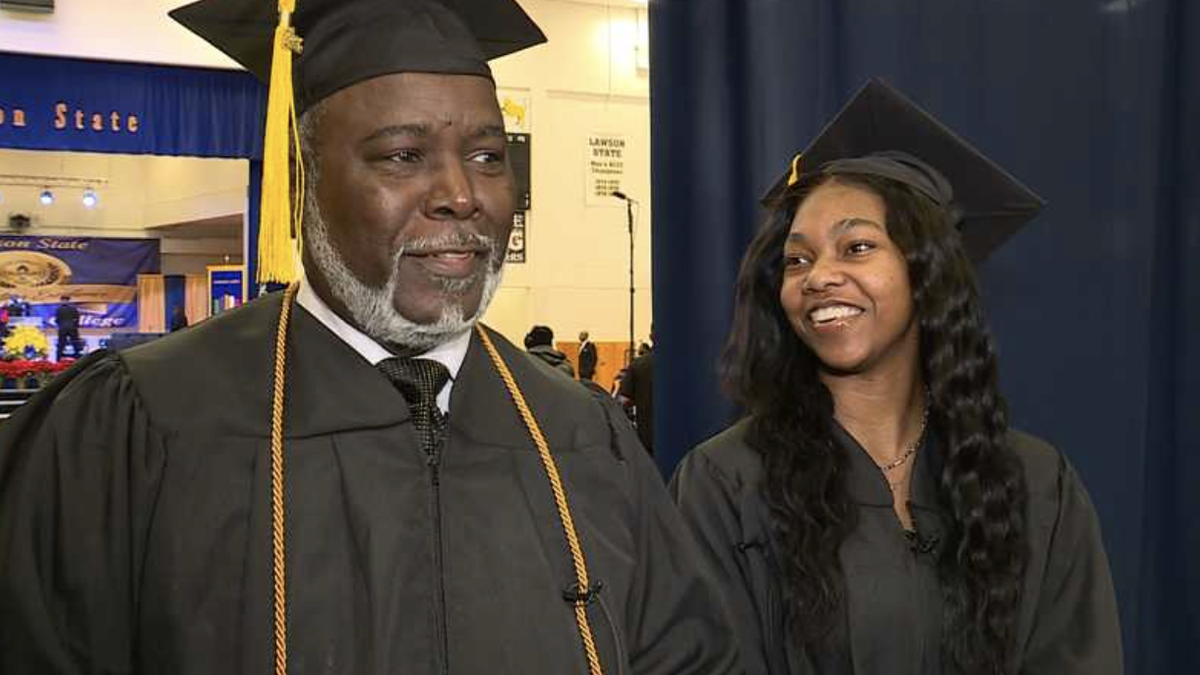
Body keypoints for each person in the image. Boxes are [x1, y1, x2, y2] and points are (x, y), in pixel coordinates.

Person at [0, 1, 738, 673]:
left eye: (488, 156)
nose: (461, 195)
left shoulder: (581, 435)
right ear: (306, 177)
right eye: (402, 156)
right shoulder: (140, 425)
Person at [670, 80, 1122, 675]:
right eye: (797, 260)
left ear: (927, 272)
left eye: (856, 247)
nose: (818, 277)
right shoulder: (729, 485)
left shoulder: (1035, 485)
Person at [617, 337, 653, 455]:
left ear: (651, 337)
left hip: (647, 435)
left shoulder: (638, 365)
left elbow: (623, 400)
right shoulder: (686, 364)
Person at [54, 295, 83, 359]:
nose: (64, 301)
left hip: (64, 328)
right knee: (74, 343)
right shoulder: (73, 308)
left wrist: (61, 325)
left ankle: (58, 358)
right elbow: (77, 318)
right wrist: (75, 325)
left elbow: (57, 320)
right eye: (63, 300)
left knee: (62, 343)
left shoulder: (59, 309)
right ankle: (77, 357)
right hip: (71, 328)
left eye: (64, 300)